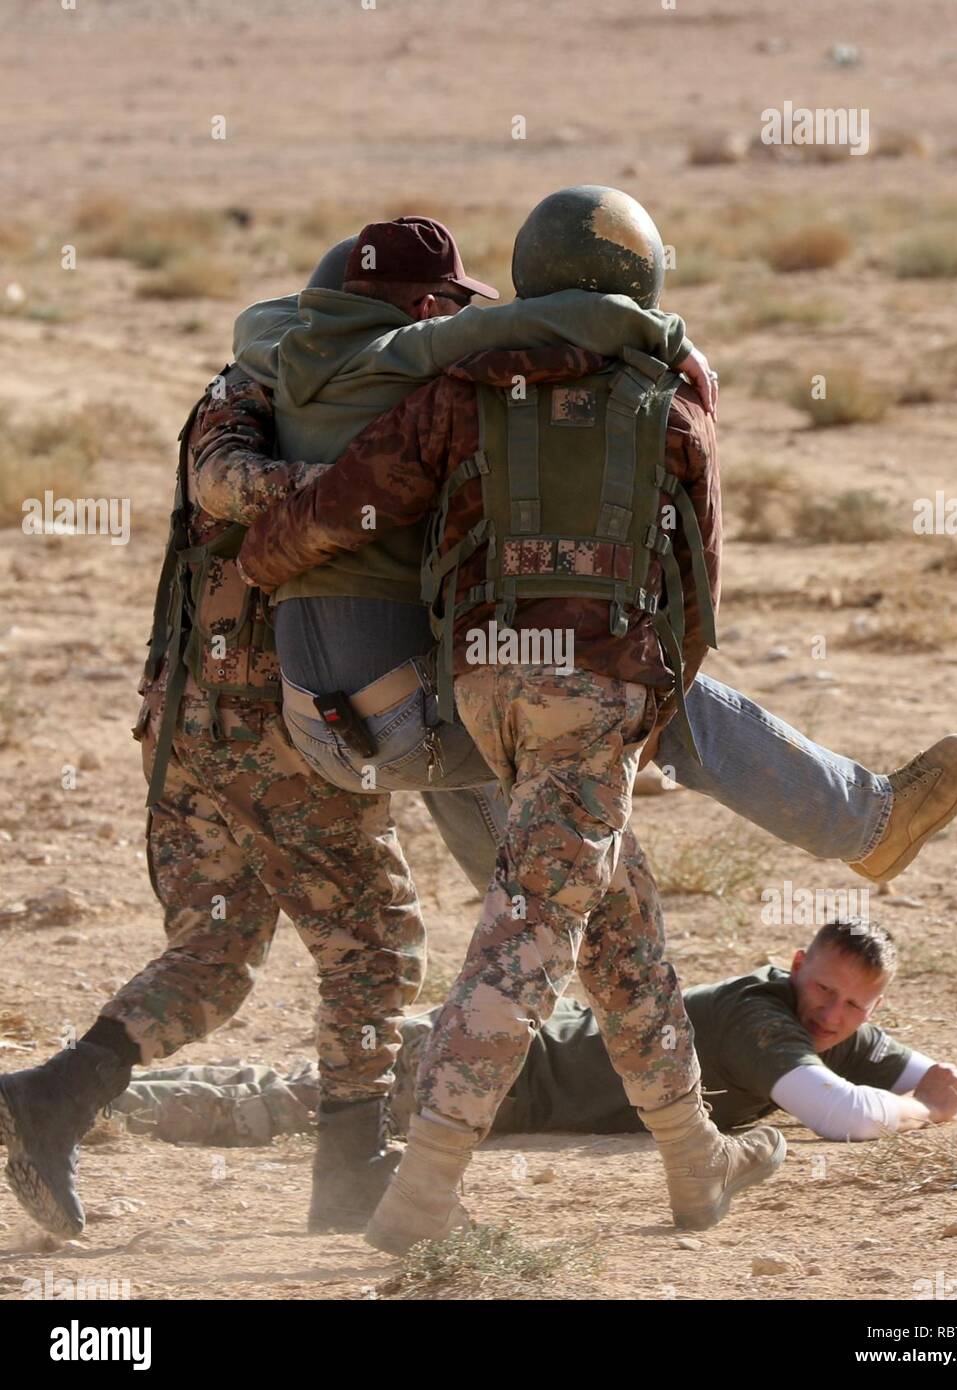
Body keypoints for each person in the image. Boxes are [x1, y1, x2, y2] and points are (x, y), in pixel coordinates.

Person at [0, 221, 716, 1241]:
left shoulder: (292, 384)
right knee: (374, 938)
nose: (443, 323)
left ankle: (54, 1098)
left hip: (195, 719)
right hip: (262, 718)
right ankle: (352, 1169)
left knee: (215, 954)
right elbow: (224, 484)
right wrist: (371, 493)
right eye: (432, 309)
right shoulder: (254, 392)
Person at [240, 185, 791, 1254]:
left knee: (612, 910)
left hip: (481, 691)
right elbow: (700, 576)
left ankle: (694, 1155)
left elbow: (359, 498)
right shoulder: (672, 392)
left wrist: (269, 557)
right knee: (527, 938)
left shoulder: (463, 386)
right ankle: (425, 1189)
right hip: (592, 702)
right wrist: (646, 707)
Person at [389, 919, 957, 1141]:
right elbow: (845, 1117)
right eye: (825, 990)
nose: (832, 1016)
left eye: (855, 1006)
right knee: (309, 1103)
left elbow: (952, 1087)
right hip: (477, 1061)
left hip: (501, 1088)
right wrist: (923, 1110)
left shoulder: (830, 1024)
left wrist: (938, 1095)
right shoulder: (759, 1014)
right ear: (798, 966)